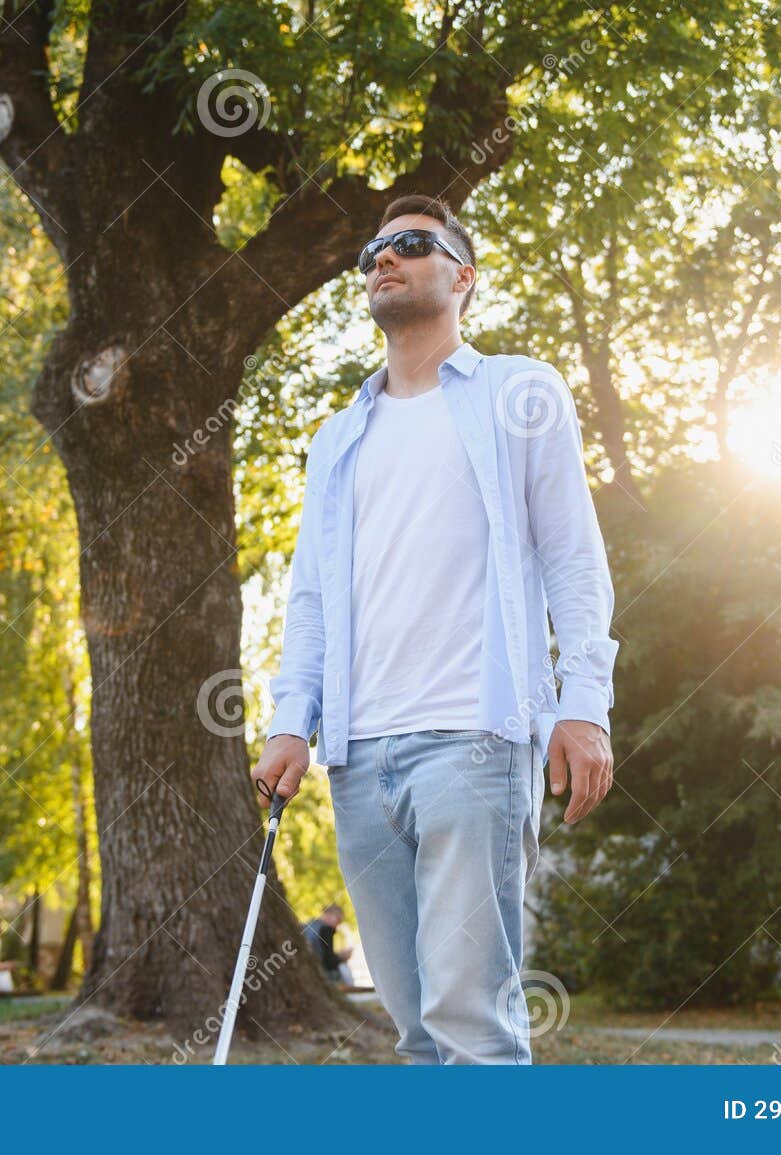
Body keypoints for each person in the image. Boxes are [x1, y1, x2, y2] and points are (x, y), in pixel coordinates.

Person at [252, 194, 618, 1064]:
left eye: (411, 244)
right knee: (415, 1031)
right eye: (372, 251)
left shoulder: (520, 392)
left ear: (463, 277)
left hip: (474, 742)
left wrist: (584, 704)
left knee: (471, 1025)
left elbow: (572, 556)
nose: (384, 258)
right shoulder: (338, 437)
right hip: (358, 759)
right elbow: (312, 598)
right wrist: (289, 722)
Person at [302, 904, 354, 986]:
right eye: (339, 920)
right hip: (320, 976)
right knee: (344, 968)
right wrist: (343, 957)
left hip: (308, 971)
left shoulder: (308, 925)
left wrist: (338, 955)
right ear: (329, 915)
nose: (338, 925)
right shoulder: (326, 929)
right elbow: (328, 963)